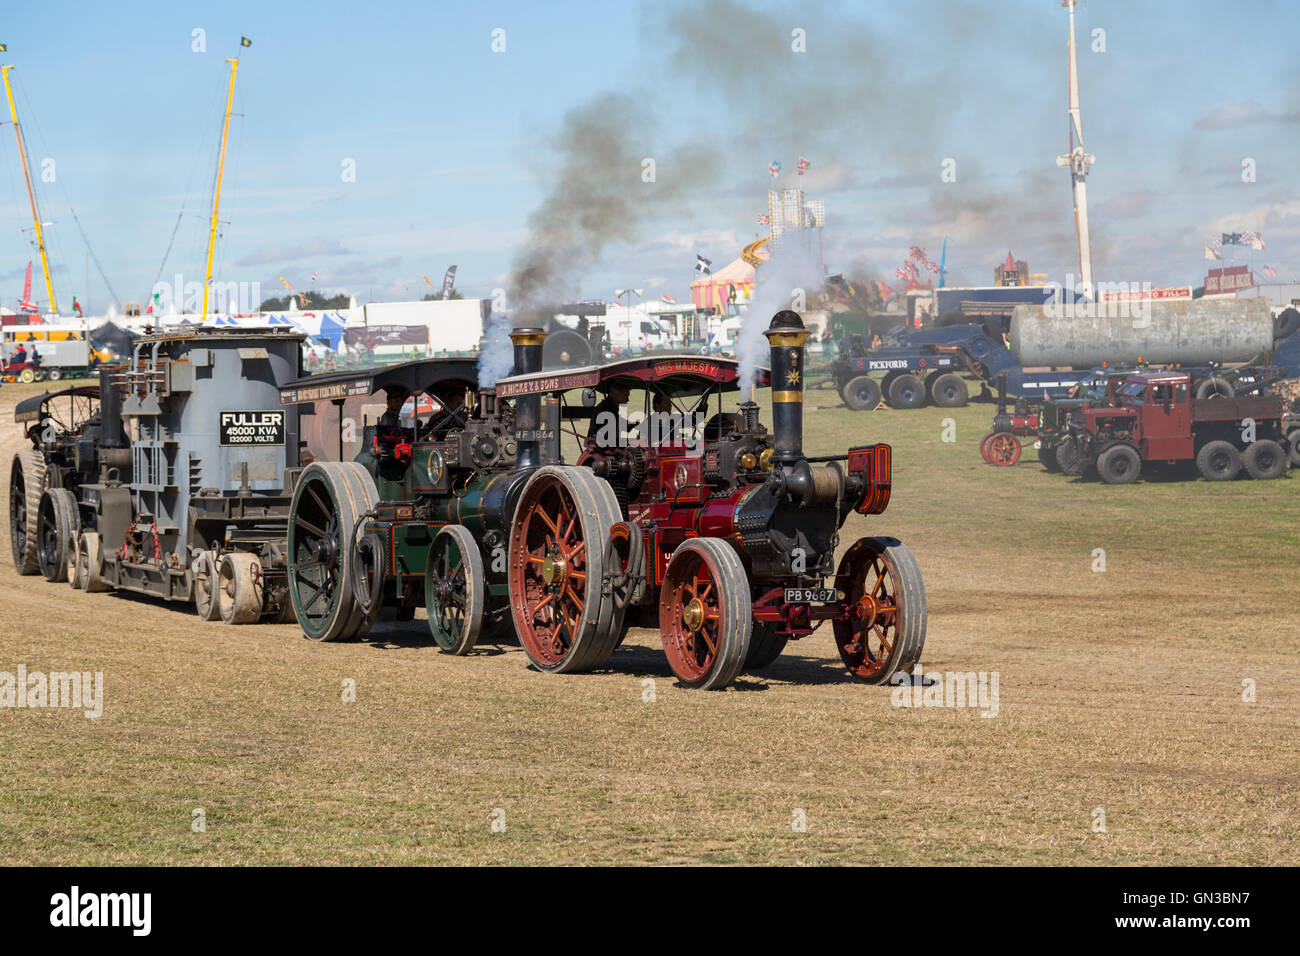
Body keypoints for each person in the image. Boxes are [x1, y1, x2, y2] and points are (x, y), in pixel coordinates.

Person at [587, 382, 631, 446]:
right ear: (615, 395)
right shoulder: (605, 409)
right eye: (625, 396)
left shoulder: (610, 407)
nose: (628, 399)